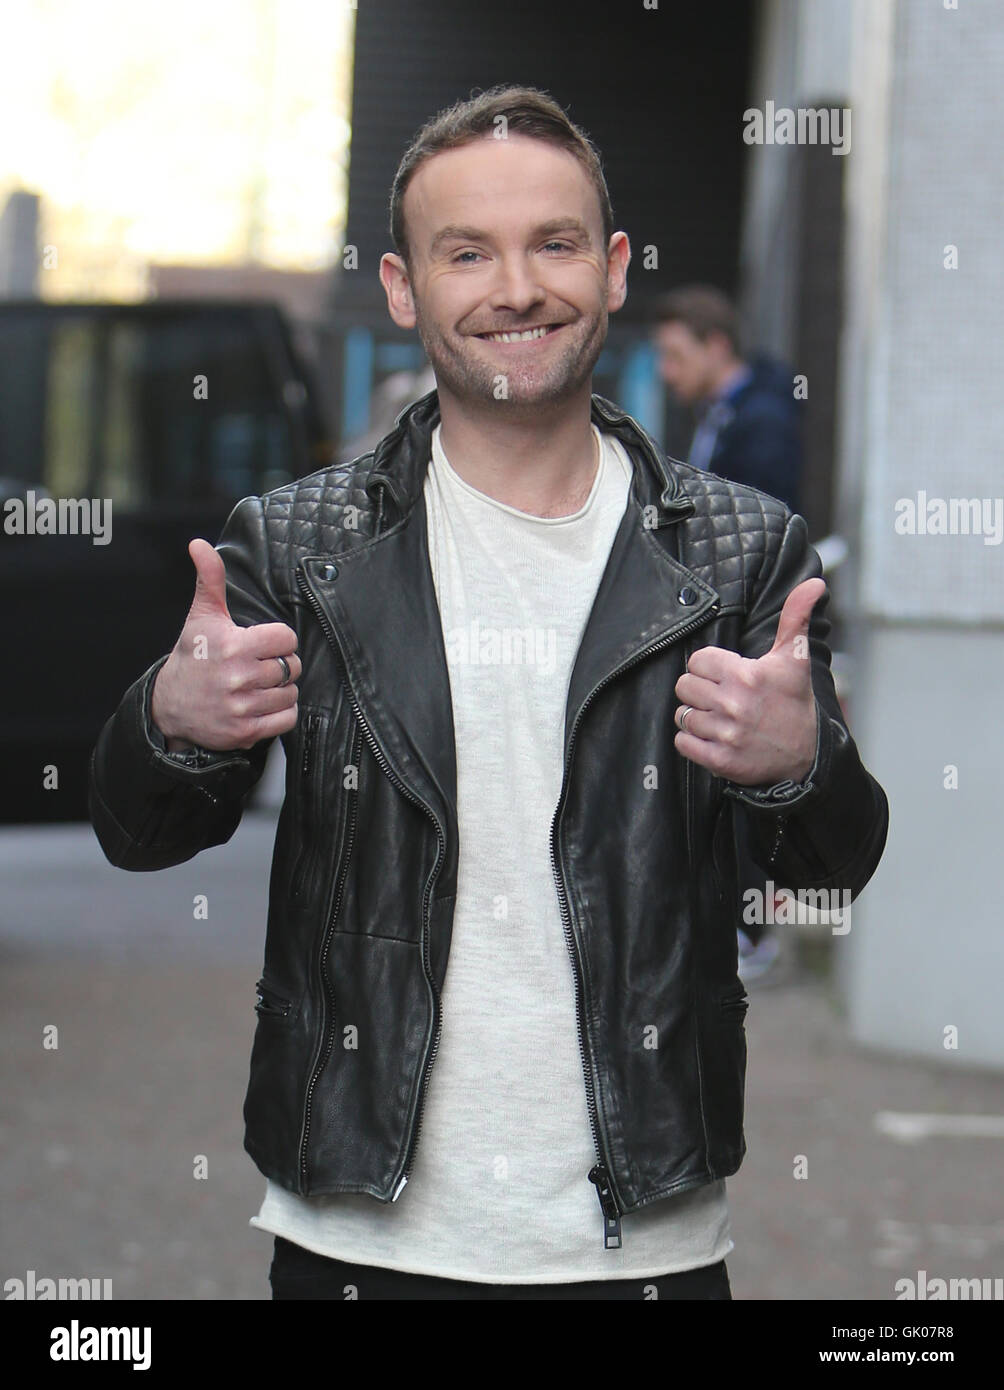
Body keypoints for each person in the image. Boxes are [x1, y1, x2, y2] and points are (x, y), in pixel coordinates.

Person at [89, 85, 888, 1301]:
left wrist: (796, 764)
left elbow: (828, 863)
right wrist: (170, 726)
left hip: (644, 1243)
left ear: (613, 268)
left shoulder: (737, 551)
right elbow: (140, 834)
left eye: (553, 243)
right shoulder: (298, 541)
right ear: (405, 288)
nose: (516, 288)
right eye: (467, 252)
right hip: (358, 1240)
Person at [652, 284, 803, 515]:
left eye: (676, 356)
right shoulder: (713, 413)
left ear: (716, 347)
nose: (665, 371)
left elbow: (764, 521)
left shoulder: (763, 420)